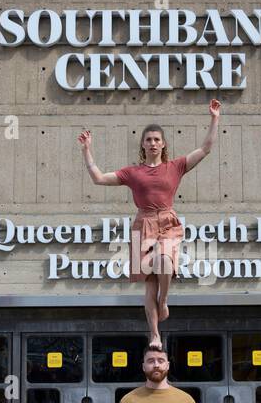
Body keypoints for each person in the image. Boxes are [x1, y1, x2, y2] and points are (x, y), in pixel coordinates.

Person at [79, 99, 221, 347]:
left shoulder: (174, 167)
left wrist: (214, 118)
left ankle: (164, 301)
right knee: (149, 284)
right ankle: (155, 334)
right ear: (143, 145)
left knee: (164, 260)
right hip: (142, 223)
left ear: (163, 143)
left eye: (157, 139)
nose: (153, 143)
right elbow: (99, 178)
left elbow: (206, 148)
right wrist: (86, 150)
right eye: (148, 140)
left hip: (167, 220)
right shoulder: (133, 173)